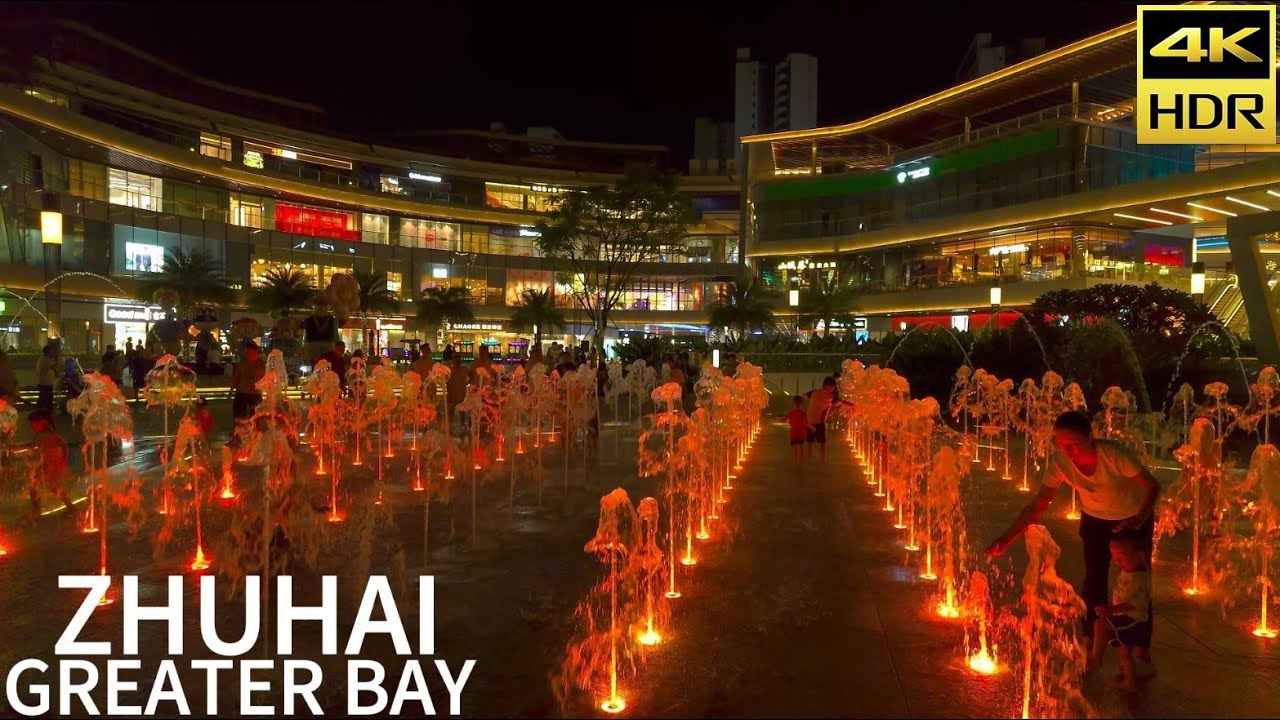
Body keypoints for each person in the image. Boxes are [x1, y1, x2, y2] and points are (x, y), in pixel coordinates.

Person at [986, 410, 1161, 661]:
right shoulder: (1061, 463)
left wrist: (1139, 520)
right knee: (1094, 579)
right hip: (1094, 520)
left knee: (1138, 582)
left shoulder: (1113, 455)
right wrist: (1006, 538)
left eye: (1072, 445)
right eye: (1060, 444)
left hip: (1132, 519)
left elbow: (1153, 485)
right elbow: (1038, 505)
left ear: (1090, 437)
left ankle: (1140, 647)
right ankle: (1091, 636)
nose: (1066, 451)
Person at [1087, 532, 1153, 691]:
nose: (1117, 562)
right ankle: (1129, 681)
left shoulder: (1138, 579)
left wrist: (1111, 610)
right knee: (1123, 653)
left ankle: (1095, 658)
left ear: (1139, 556)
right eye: (1115, 558)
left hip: (1132, 621)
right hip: (1127, 619)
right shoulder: (1133, 570)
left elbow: (1132, 604)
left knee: (1101, 624)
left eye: (1121, 558)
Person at [26, 409, 75, 520]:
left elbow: (53, 450)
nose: (32, 426)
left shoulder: (47, 434)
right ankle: (70, 507)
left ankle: (36, 510)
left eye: (33, 424)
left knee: (46, 486)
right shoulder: (44, 433)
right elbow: (35, 445)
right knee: (47, 486)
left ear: (43, 422)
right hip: (53, 459)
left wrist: (43, 466)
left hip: (53, 460)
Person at [230, 341, 266, 420]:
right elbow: (236, 377)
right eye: (247, 351)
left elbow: (264, 378)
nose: (247, 353)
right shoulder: (243, 363)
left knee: (256, 417)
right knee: (239, 416)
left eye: (249, 351)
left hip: (254, 393)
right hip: (243, 392)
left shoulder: (261, 364)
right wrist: (231, 389)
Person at [35, 342, 58, 412]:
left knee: (46, 397)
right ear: (48, 351)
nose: (53, 352)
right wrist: (56, 360)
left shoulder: (48, 359)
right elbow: (52, 366)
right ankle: (43, 410)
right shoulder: (44, 359)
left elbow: (53, 369)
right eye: (52, 351)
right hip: (45, 383)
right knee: (45, 397)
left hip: (47, 382)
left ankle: (44, 410)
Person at [787, 395, 808, 465]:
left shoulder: (793, 413)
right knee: (800, 447)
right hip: (799, 433)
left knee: (797, 448)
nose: (797, 406)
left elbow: (806, 423)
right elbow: (806, 423)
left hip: (796, 433)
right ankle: (799, 462)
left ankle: (797, 462)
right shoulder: (802, 414)